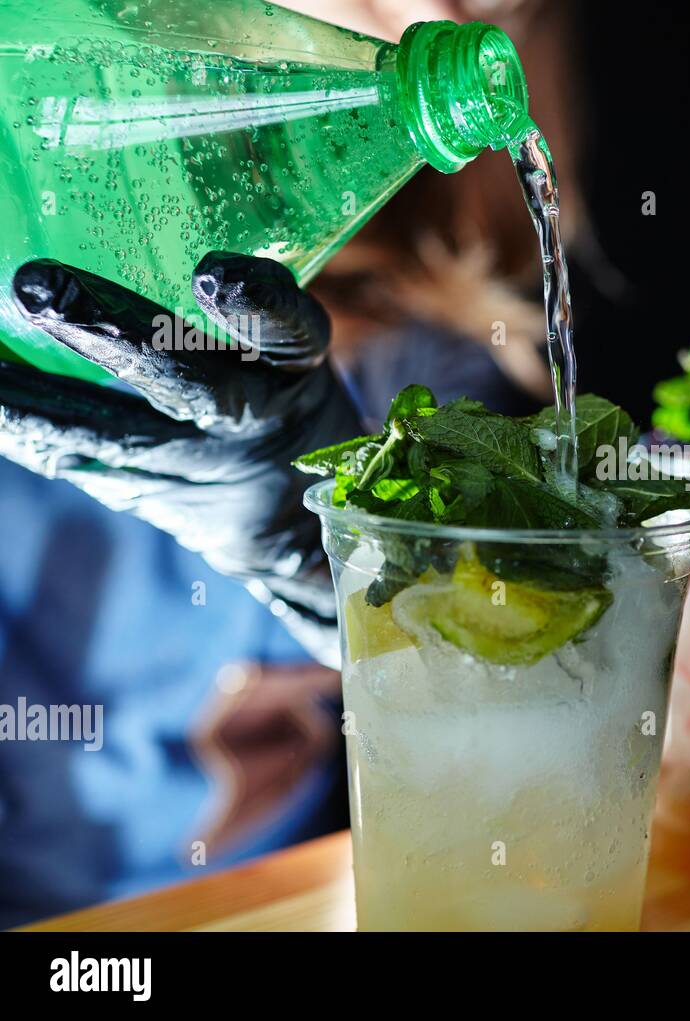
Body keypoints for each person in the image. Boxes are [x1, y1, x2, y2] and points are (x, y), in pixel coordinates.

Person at [0, 0, 577, 927]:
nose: (440, 12)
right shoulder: (33, 133)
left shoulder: (446, 343)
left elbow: (532, 720)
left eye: (502, 4)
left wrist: (342, 583)